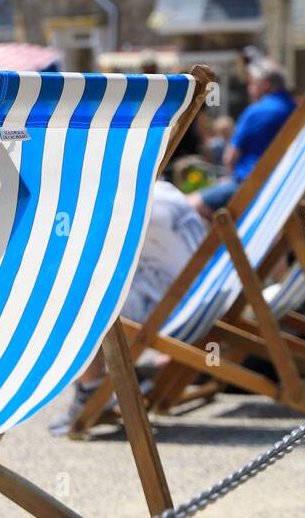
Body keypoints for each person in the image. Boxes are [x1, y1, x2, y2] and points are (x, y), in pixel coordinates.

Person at [51, 121, 208, 431]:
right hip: (198, 305)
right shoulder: (164, 191)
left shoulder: (134, 201)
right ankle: (105, 384)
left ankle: (93, 389)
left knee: (70, 295)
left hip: (170, 312)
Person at [197, 58, 296, 220]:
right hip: (284, 188)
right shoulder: (296, 109)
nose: (249, 90)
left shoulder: (256, 111)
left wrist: (227, 178)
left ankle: (221, 242)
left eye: (251, 83)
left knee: (190, 205)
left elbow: (229, 157)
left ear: (265, 84)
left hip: (248, 185)